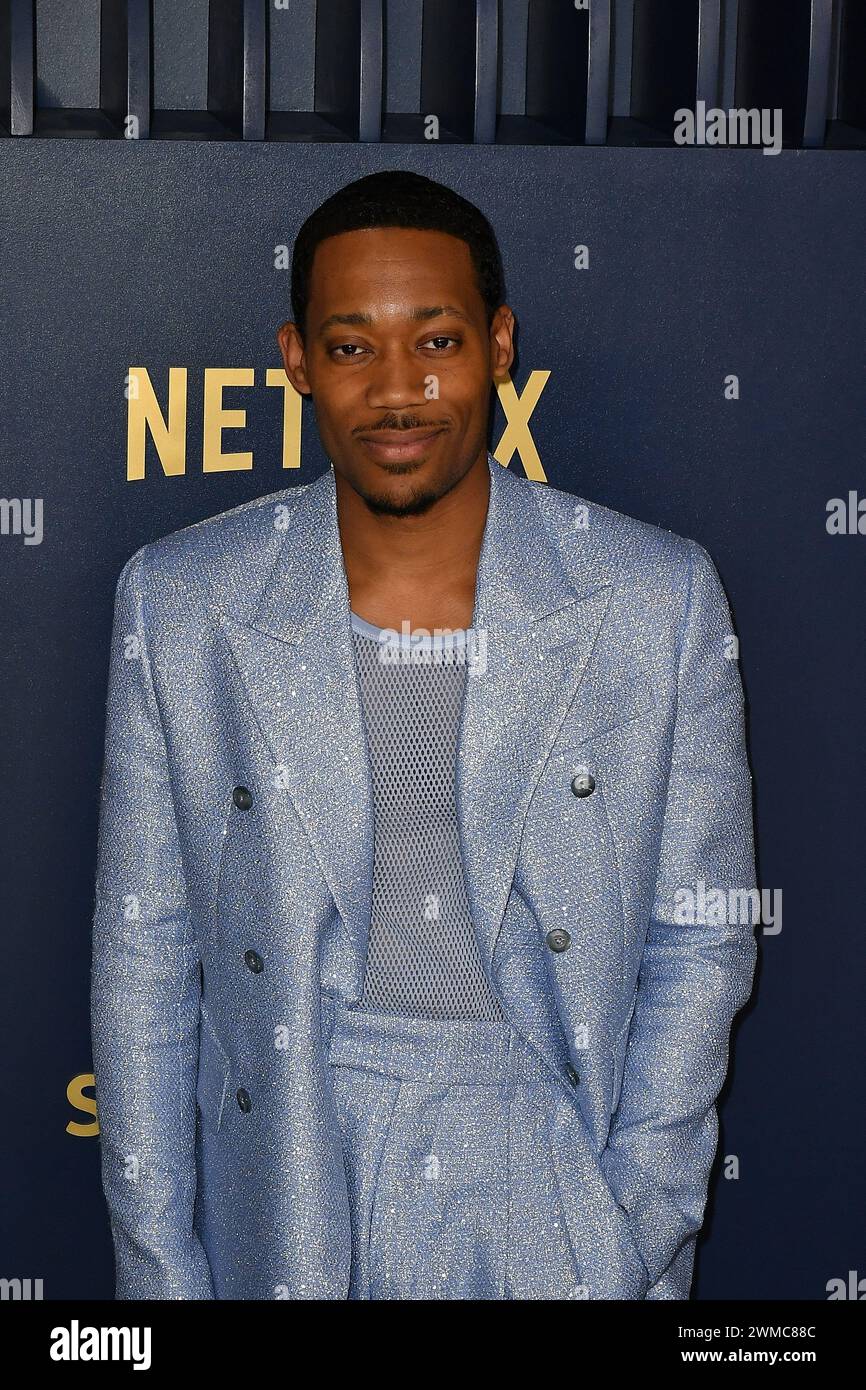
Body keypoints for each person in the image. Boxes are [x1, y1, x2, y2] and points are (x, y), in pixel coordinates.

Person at [90, 169, 757, 1300]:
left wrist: (636, 1215)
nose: (397, 390)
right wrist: (162, 1278)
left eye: (435, 339)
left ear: (499, 345)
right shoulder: (181, 600)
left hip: (552, 1163)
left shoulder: (655, 596)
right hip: (296, 1160)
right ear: (296, 360)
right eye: (350, 348)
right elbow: (145, 960)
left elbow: (700, 938)